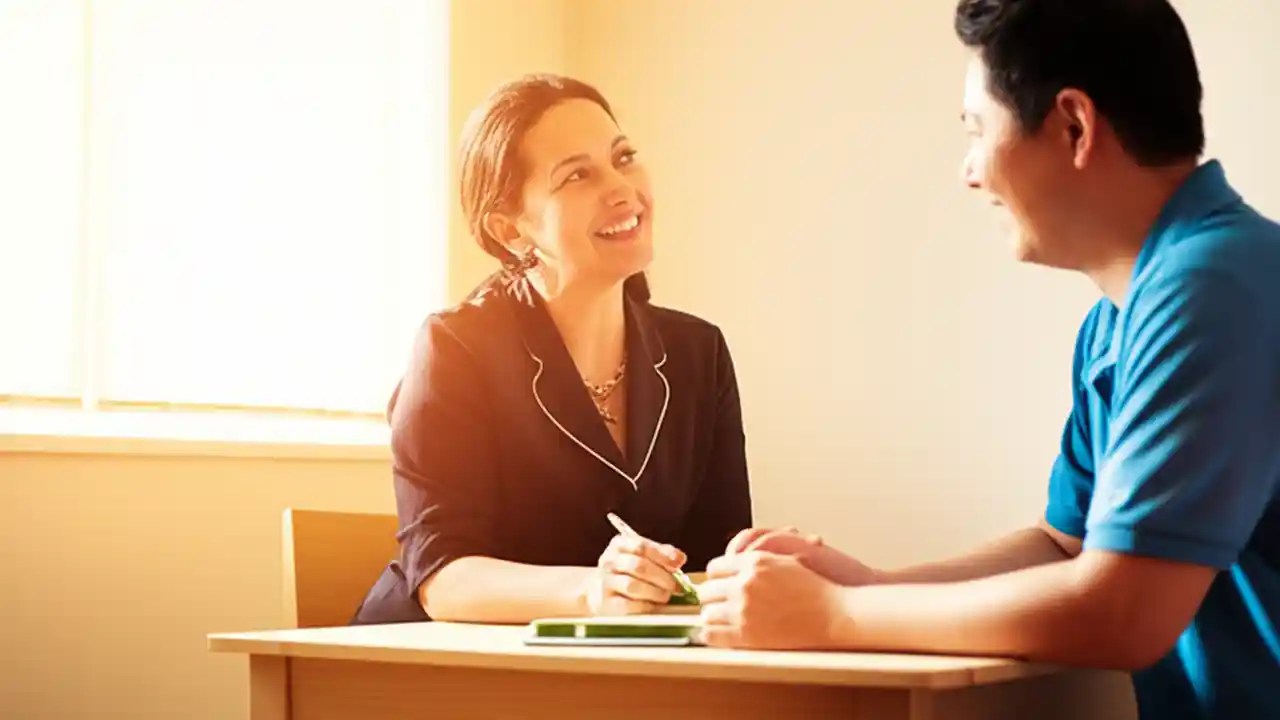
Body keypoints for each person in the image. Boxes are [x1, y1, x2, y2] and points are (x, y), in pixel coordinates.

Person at [698, 2, 1280, 719]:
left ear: (1074, 126)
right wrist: (870, 585)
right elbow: (1063, 545)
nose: (970, 172)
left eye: (977, 130)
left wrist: (834, 616)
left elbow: (1123, 611)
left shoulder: (1213, 285)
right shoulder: (1123, 316)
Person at [351, 74, 753, 625]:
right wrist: (593, 593)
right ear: (511, 231)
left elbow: (714, 561)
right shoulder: (455, 347)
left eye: (623, 157)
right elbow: (443, 578)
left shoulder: (698, 353)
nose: (622, 189)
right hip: (438, 657)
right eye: (577, 175)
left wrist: (761, 569)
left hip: (617, 662)